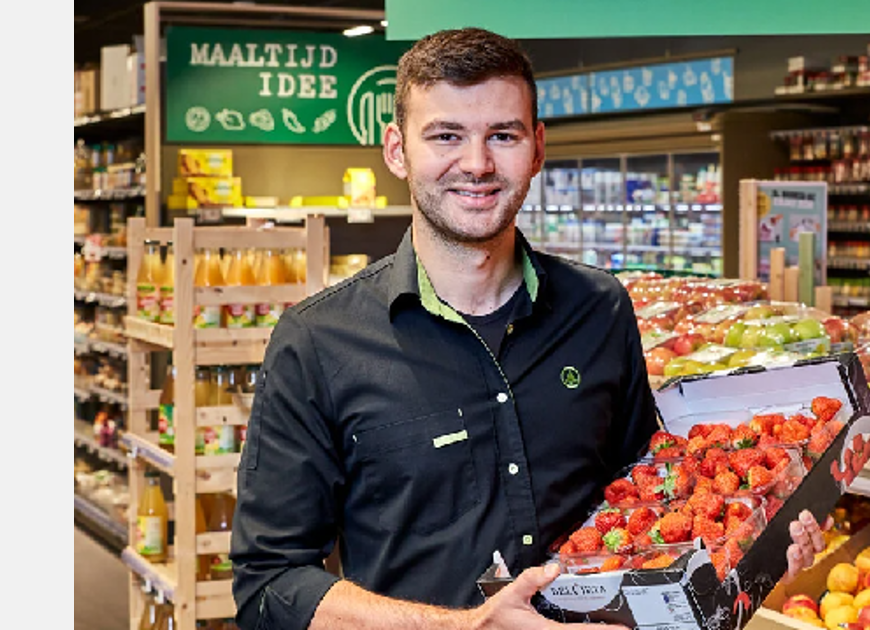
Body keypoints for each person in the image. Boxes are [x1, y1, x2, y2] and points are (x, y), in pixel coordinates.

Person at [230, 27, 828, 630]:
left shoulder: (600, 310)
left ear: (537, 148)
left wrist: (758, 540)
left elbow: (651, 499)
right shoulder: (317, 342)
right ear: (397, 151)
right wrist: (464, 626)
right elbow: (269, 585)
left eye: (503, 135)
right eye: (445, 136)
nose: (477, 164)